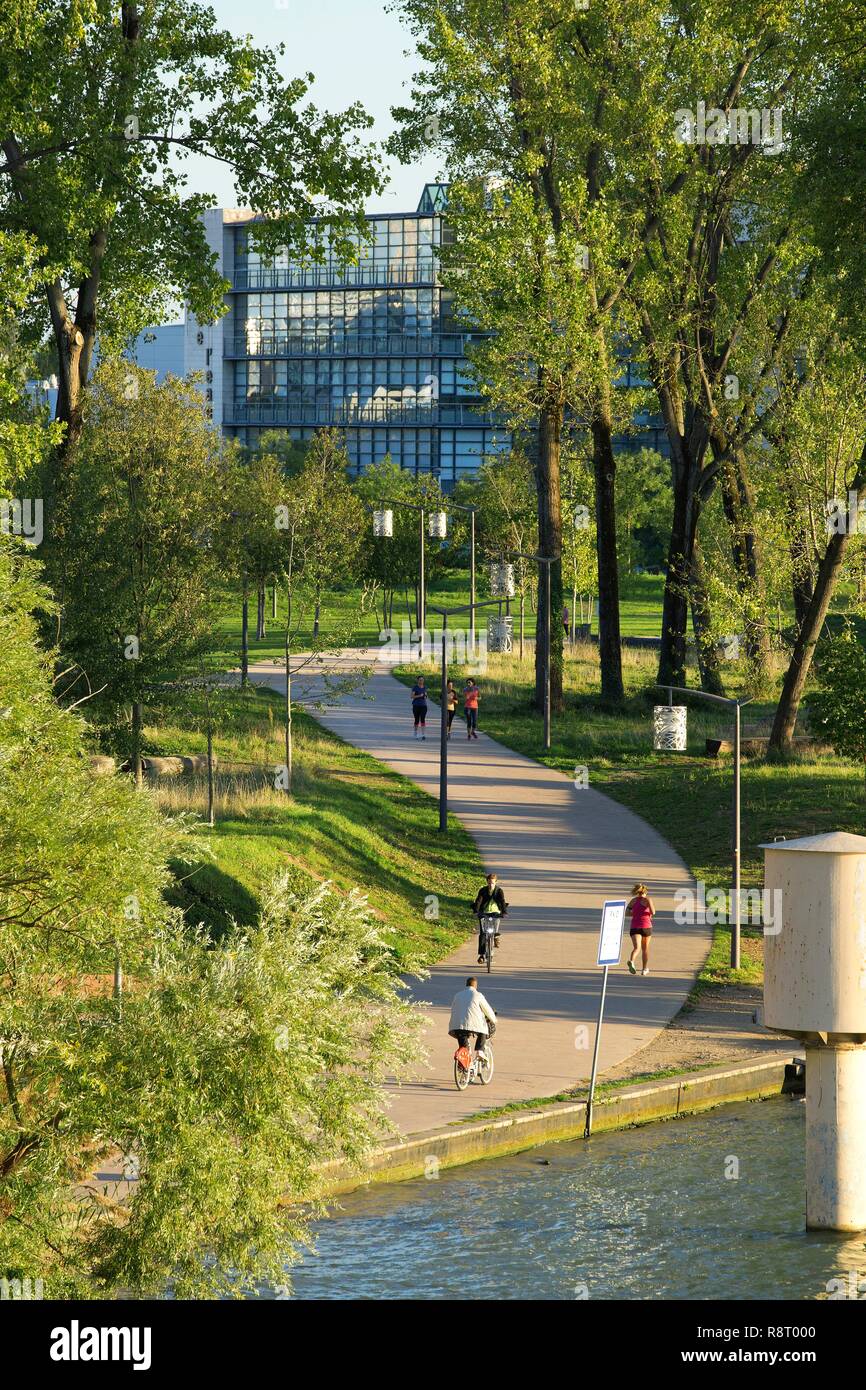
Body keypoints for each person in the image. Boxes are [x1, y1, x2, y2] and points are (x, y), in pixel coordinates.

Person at [448, 976, 497, 1059]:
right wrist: (494, 1020)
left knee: (464, 1047)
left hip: (456, 1026)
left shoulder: (457, 995)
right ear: (475, 986)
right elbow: (487, 1010)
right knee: (483, 1030)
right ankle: (479, 1051)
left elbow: (453, 1009)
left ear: (466, 985)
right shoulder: (478, 995)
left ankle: (464, 1064)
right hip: (475, 1025)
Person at [473, 871, 507, 962]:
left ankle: (495, 936)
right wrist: (476, 910)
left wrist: (504, 911)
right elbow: (479, 901)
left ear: (496, 882)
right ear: (487, 882)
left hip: (495, 912)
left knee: (496, 924)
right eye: (489, 883)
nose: (490, 885)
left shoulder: (499, 891)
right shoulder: (483, 890)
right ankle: (481, 955)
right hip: (484, 912)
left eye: (492, 883)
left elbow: (502, 901)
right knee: (483, 934)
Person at [627, 882, 655, 976]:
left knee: (636, 948)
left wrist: (635, 913)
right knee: (645, 949)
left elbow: (627, 912)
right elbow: (653, 912)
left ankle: (632, 961)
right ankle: (644, 969)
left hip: (634, 927)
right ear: (645, 892)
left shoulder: (633, 901)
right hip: (646, 926)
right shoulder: (647, 900)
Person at [410, 676, 428, 740]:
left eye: (422, 680)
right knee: (417, 719)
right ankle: (415, 733)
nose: (421, 681)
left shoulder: (425, 687)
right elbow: (411, 696)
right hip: (416, 705)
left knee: (423, 719)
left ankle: (423, 734)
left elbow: (426, 695)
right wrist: (419, 696)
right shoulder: (415, 687)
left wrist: (425, 696)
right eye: (420, 680)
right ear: (418, 680)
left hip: (423, 705)